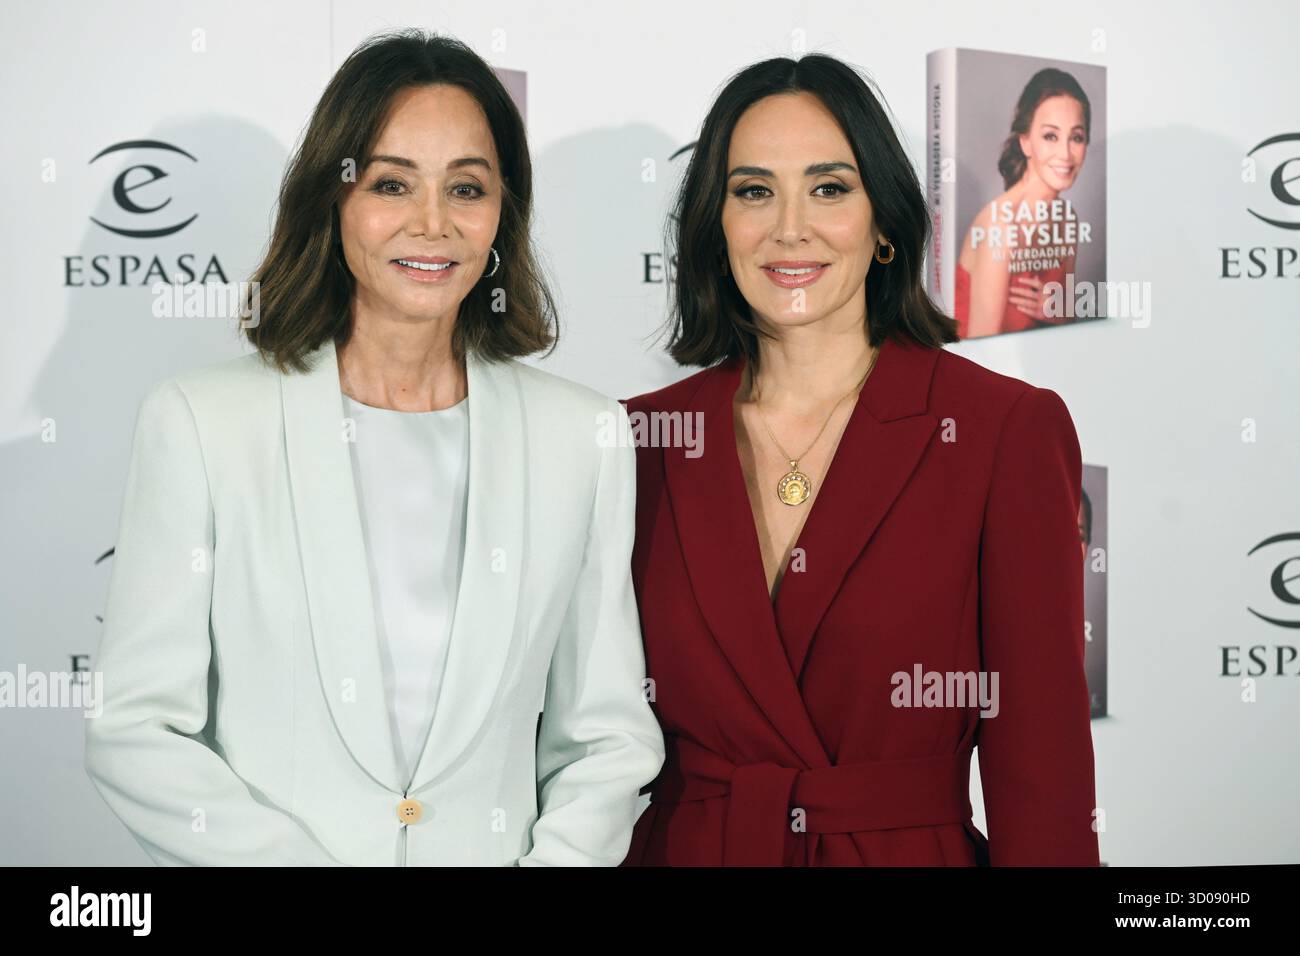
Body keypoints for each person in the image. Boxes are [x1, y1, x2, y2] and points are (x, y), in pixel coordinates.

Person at [85, 29, 663, 866]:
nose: (433, 224)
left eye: (467, 187)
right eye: (392, 183)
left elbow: (605, 737)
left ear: (503, 212)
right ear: (335, 197)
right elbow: (135, 731)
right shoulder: (203, 424)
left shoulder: (585, 437)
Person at [621, 53, 1099, 866]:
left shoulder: (1000, 432)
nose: (790, 227)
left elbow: (1042, 769)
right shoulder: (638, 441)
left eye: (830, 188)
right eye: (753, 190)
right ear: (716, 223)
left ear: (884, 223)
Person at [954, 68, 1092, 338]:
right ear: (1025, 142)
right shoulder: (1001, 227)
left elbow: (1067, 326)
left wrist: (1058, 312)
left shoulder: (1067, 219)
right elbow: (983, 357)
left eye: (1076, 137)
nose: (1065, 154)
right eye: (1050, 136)